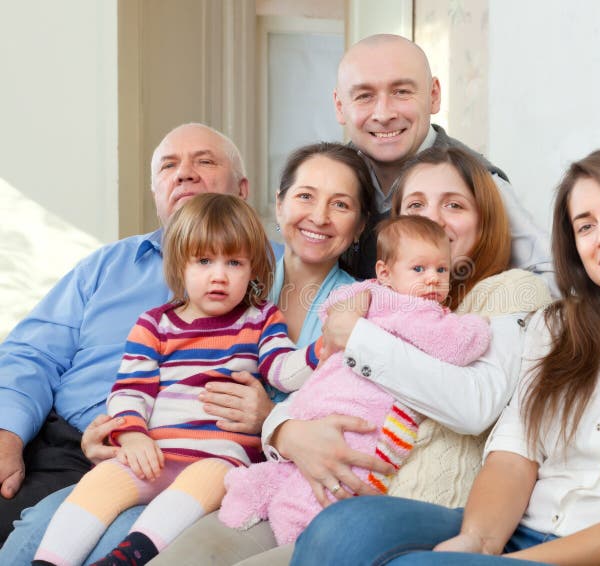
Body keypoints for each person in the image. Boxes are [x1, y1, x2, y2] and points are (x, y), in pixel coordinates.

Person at [291, 148, 600, 566]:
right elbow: (514, 457)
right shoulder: (557, 327)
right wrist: (475, 545)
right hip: (518, 533)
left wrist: (510, 565)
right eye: (585, 225)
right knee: (343, 528)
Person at [150, 146, 551, 566]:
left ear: (485, 217)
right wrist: (286, 432)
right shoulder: (381, 294)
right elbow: (322, 389)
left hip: (393, 512)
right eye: (416, 205)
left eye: (453, 204)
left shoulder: (512, 291)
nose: (432, 218)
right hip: (304, 482)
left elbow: (475, 406)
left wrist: (357, 337)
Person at [1, 141, 375, 564]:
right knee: (44, 526)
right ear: (280, 202)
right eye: (305, 195)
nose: (319, 215)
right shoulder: (211, 276)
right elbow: (134, 375)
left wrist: (277, 407)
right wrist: (123, 428)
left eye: (340, 204)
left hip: (228, 467)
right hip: (140, 448)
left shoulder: (345, 303)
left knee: (127, 532)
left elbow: (315, 393)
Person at [0, 123, 267, 545]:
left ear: (242, 188)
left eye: (205, 161)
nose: (184, 173)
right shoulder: (106, 265)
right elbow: (31, 354)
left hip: (180, 461)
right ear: (156, 192)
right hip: (62, 444)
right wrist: (7, 434)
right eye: (169, 166)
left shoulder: (270, 270)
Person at [34, 192, 325, 565]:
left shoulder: (260, 319)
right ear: (179, 266)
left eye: (234, 262)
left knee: (207, 478)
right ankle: (48, 561)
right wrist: (133, 434)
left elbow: (283, 372)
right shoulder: (154, 323)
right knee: (102, 481)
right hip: (156, 452)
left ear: (252, 270)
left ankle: (129, 555)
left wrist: (323, 349)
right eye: (204, 261)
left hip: (220, 455)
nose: (218, 275)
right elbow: (130, 391)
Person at [218, 216, 491, 545]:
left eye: (441, 270)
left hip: (314, 400)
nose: (432, 280)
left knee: (291, 469)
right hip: (358, 415)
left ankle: (252, 489)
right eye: (419, 270)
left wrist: (355, 305)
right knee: (341, 477)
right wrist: (479, 326)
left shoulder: (367, 295)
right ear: (385, 273)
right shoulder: (419, 313)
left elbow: (331, 311)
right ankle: (296, 524)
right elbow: (459, 345)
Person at [335, 34, 554, 292]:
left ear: (434, 95)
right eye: (364, 96)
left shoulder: (481, 181)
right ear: (340, 107)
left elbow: (552, 274)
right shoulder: (328, 177)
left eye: (401, 92)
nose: (383, 114)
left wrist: (482, 319)